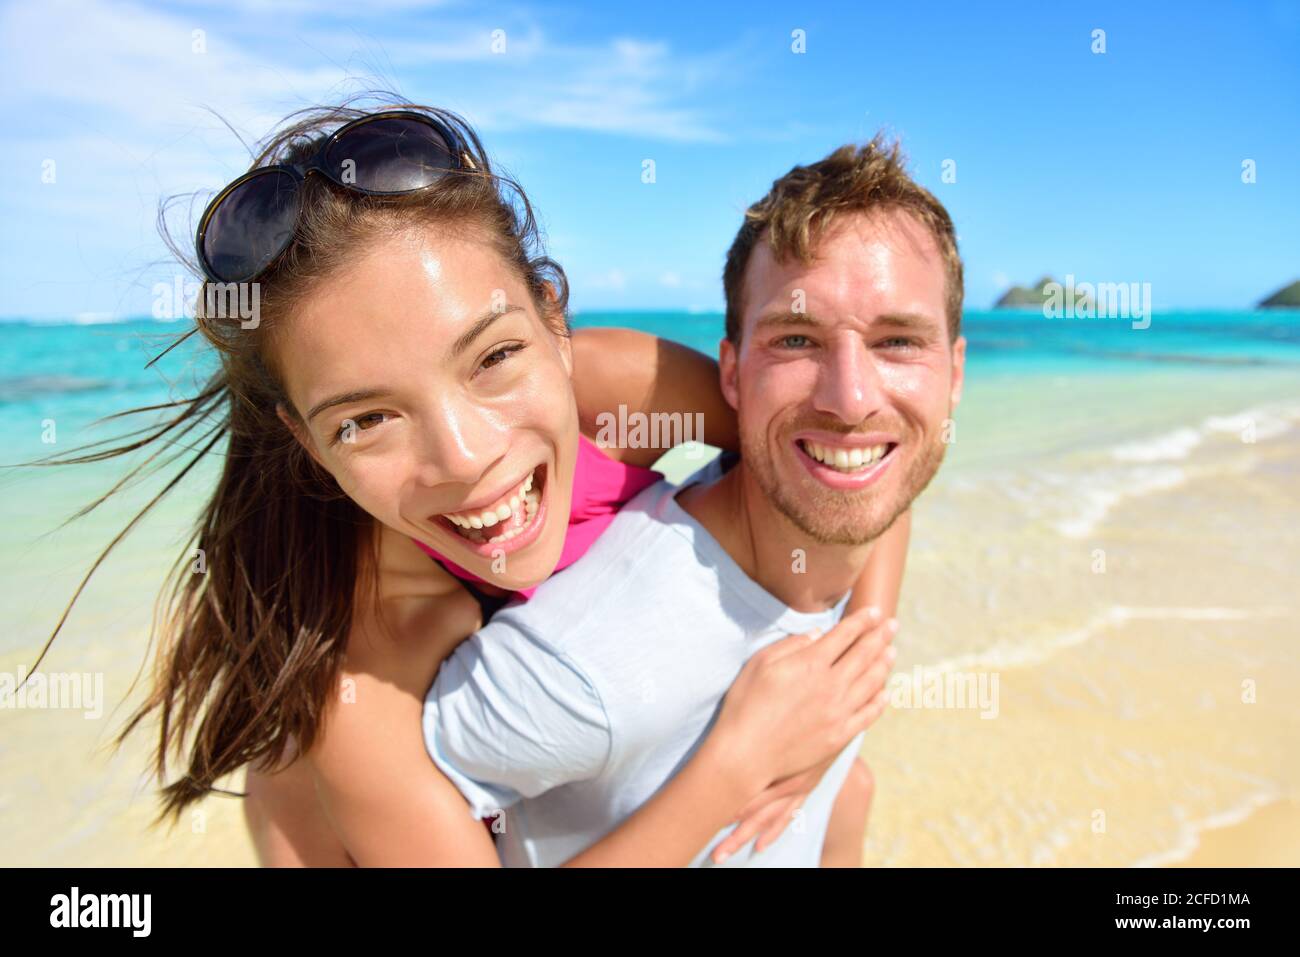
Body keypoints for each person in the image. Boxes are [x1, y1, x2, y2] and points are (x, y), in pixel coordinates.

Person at [35, 98, 901, 866]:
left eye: (492, 357)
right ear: (304, 442)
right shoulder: (362, 683)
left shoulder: (610, 394)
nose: (462, 457)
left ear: (554, 322)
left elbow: (861, 451)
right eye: (365, 419)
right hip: (338, 824)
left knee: (852, 792)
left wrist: (851, 671)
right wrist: (736, 766)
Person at [419, 134, 966, 866]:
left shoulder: (850, 523)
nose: (853, 400)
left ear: (954, 375)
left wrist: (862, 656)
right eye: (797, 339)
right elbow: (358, 794)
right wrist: (734, 769)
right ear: (731, 375)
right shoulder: (575, 666)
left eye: (898, 343)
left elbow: (887, 473)